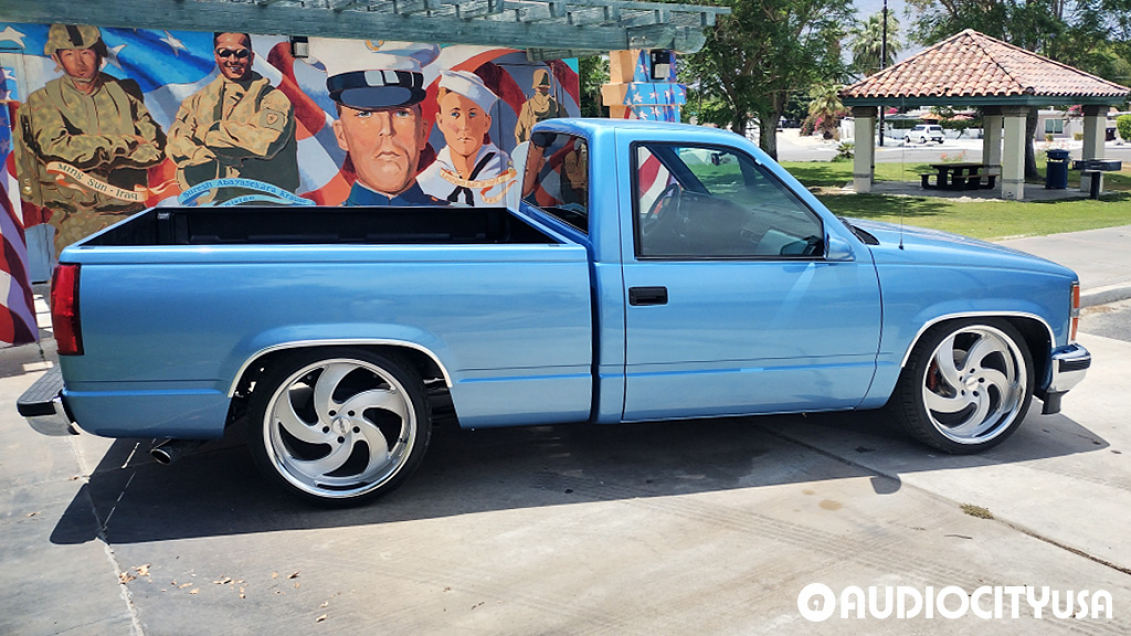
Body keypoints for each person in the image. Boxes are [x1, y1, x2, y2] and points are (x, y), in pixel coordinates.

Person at [18, 24, 165, 256]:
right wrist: (123, 144)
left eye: (86, 52)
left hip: (129, 212)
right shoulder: (43, 100)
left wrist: (92, 156)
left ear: (98, 55)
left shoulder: (124, 95)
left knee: (136, 282)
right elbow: (57, 148)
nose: (79, 63)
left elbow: (154, 149)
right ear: (56, 58)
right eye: (69, 54)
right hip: (74, 217)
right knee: (78, 284)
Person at [167, 32, 299, 204]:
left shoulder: (272, 99)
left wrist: (206, 133)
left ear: (251, 57)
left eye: (240, 53)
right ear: (216, 56)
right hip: (214, 201)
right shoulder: (196, 101)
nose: (233, 59)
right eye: (225, 53)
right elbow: (176, 141)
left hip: (266, 200)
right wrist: (202, 155)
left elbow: (264, 143)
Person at [321, 41, 444, 206]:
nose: (387, 129)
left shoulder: (462, 220)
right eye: (365, 114)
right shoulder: (324, 227)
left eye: (401, 113)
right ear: (341, 135)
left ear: (422, 133)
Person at [418, 70, 515, 206]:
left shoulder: (505, 173)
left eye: (473, 114)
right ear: (440, 122)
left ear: (486, 123)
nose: (464, 126)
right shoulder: (427, 182)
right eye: (454, 114)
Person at [514, 68, 567, 145]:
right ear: (548, 86)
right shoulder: (556, 105)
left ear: (535, 87)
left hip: (534, 149)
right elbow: (568, 128)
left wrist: (522, 151)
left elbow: (519, 132)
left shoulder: (528, 105)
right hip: (552, 150)